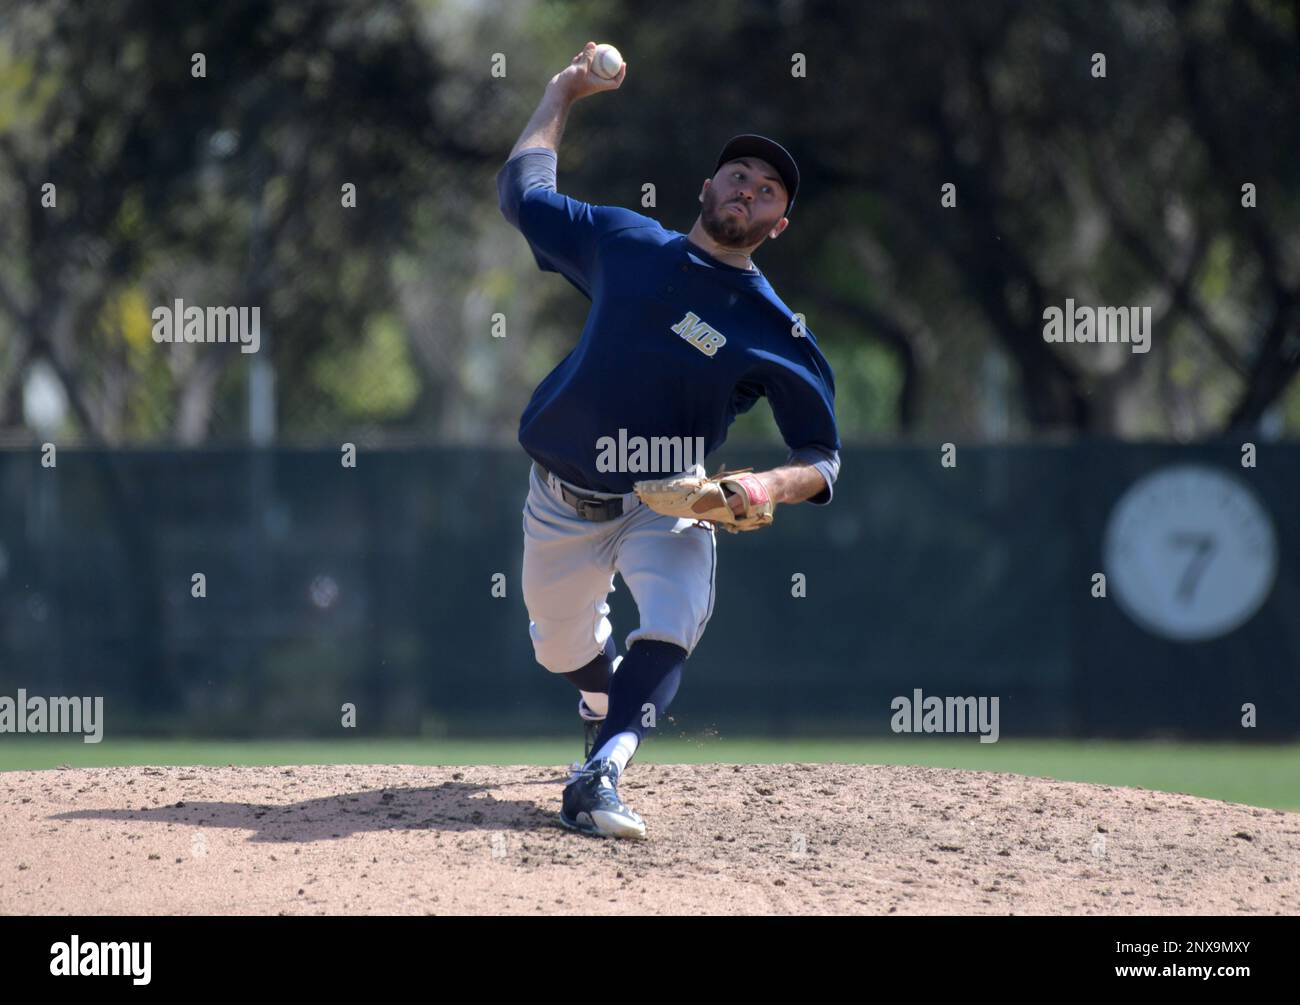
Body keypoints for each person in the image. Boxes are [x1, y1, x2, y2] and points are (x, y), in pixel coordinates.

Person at [496, 42, 841, 839]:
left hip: (667, 495)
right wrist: (562, 93)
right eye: (738, 176)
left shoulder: (774, 329)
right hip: (561, 495)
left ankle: (602, 771)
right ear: (707, 185)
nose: (747, 192)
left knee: (676, 612)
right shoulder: (627, 245)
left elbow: (822, 456)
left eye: (766, 192)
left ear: (777, 224)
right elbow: (523, 191)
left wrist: (762, 488)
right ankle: (596, 700)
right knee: (560, 648)